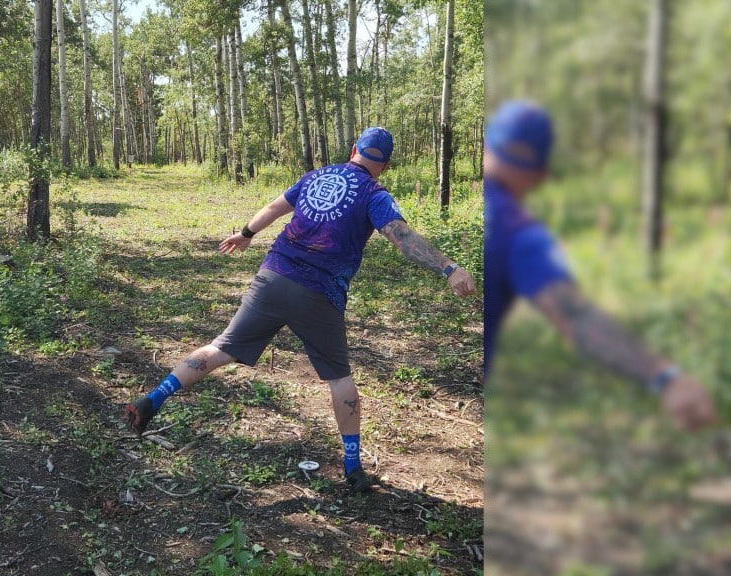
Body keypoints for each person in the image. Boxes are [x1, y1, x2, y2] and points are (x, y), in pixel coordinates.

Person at [123, 127, 479, 492]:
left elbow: (277, 207)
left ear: (354, 148)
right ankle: (353, 468)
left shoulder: (317, 175)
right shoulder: (374, 193)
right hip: (319, 292)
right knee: (339, 376)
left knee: (221, 348)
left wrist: (246, 233)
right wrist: (449, 268)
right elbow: (401, 237)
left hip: (273, 276)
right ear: (384, 166)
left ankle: (153, 398)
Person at [483, 100, 716, 431]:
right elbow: (577, 318)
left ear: (486, 144)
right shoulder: (521, 236)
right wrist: (666, 377)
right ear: (541, 175)